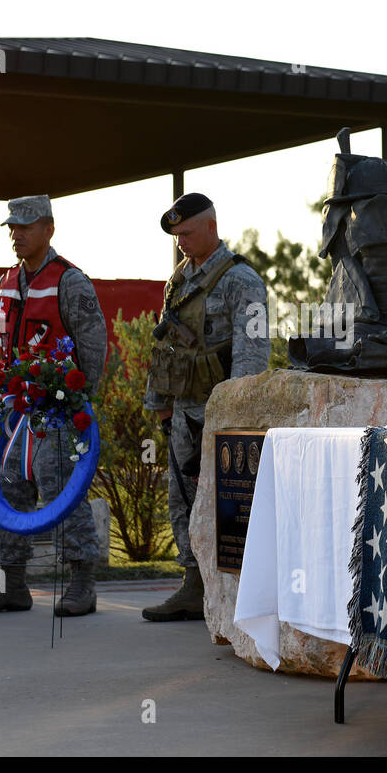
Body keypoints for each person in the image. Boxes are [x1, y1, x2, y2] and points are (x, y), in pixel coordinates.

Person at [0, 195, 108, 617]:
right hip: (15, 409)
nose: (17, 233)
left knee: (59, 481)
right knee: (8, 486)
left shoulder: (70, 281)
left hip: (60, 407)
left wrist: (81, 401)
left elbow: (93, 345)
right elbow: (4, 344)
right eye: (12, 227)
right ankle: (10, 584)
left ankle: (82, 581)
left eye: (26, 226)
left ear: (49, 229)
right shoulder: (7, 281)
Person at [142, 193, 270, 621]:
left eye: (187, 232)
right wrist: (159, 403)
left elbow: (251, 357)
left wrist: (235, 417)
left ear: (211, 228)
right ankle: (192, 586)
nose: (180, 241)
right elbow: (165, 344)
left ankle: (235, 591)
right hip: (183, 412)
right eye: (176, 235)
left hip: (221, 417)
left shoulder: (242, 281)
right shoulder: (178, 279)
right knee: (181, 498)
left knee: (229, 506)